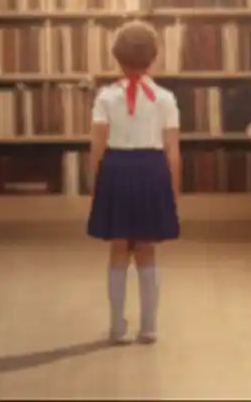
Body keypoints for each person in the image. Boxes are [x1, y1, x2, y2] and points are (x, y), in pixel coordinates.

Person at [86, 21, 182, 345]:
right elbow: (173, 151)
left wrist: (96, 184)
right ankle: (150, 326)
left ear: (117, 57)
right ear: (153, 57)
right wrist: (174, 192)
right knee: (147, 249)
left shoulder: (106, 96)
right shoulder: (165, 98)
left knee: (118, 248)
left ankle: (116, 326)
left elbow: (97, 145)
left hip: (116, 168)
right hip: (152, 169)